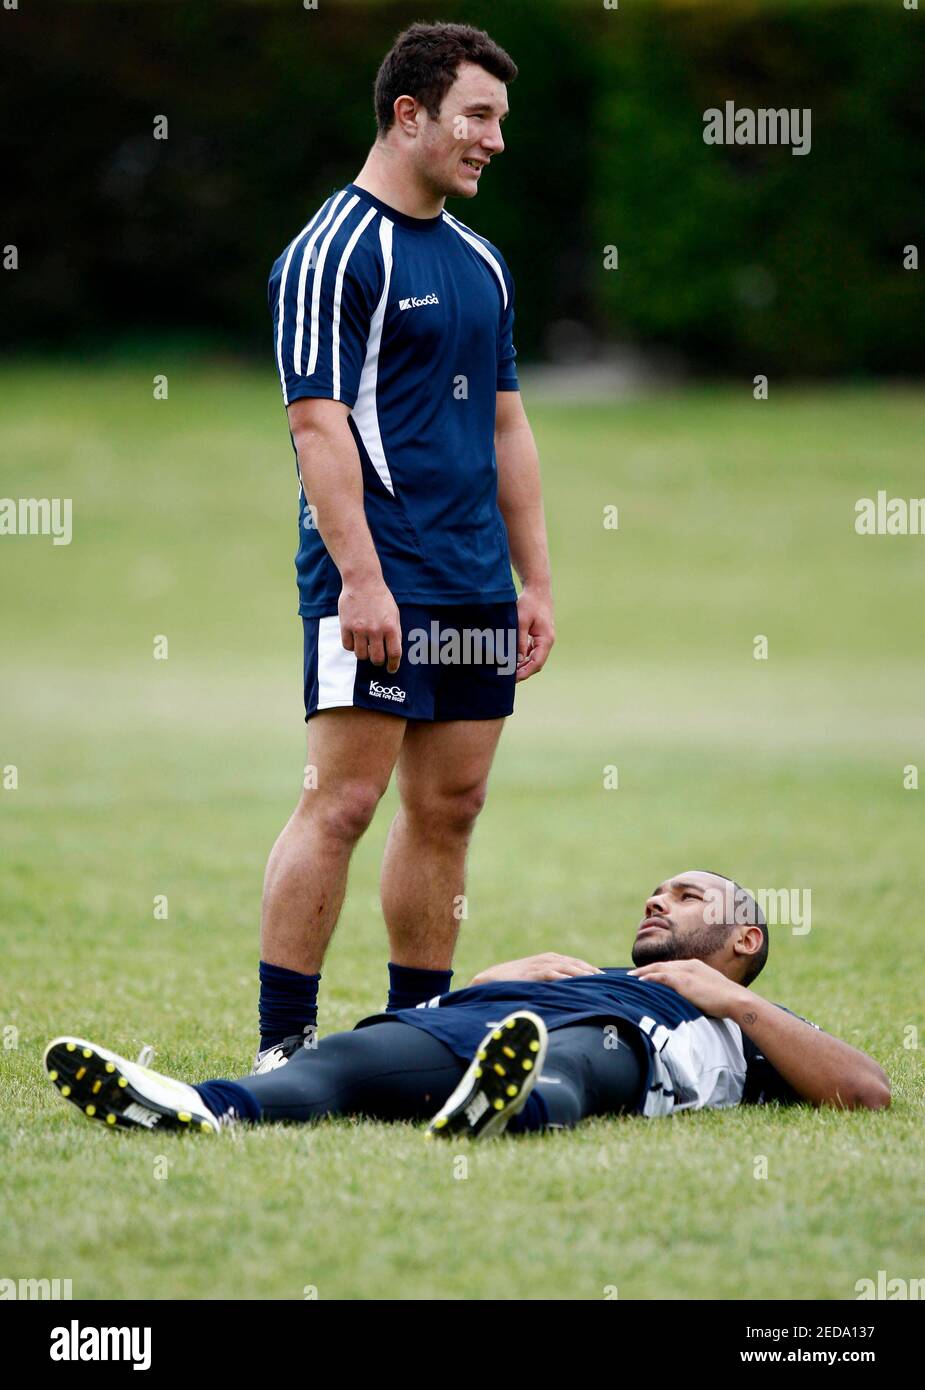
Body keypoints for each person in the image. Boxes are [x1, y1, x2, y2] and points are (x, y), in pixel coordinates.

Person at [257, 22, 554, 1071]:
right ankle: (284, 1052)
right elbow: (316, 425)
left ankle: (416, 1039)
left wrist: (535, 580)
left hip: (475, 584)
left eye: (500, 121)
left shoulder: (481, 261)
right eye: (477, 117)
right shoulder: (331, 251)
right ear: (408, 114)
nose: (494, 141)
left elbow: (506, 427)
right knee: (340, 801)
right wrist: (361, 580)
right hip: (378, 585)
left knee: (451, 807)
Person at [44, 871, 890, 1139]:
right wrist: (491, 980)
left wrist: (731, 1007)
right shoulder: (576, 966)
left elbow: (867, 1091)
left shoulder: (741, 1027)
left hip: (613, 1041)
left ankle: (504, 1107)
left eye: (688, 896)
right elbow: (464, 1009)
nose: (658, 901)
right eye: (656, 892)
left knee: (577, 1061)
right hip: (474, 1026)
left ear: (744, 941)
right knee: (342, 1061)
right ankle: (197, 1106)